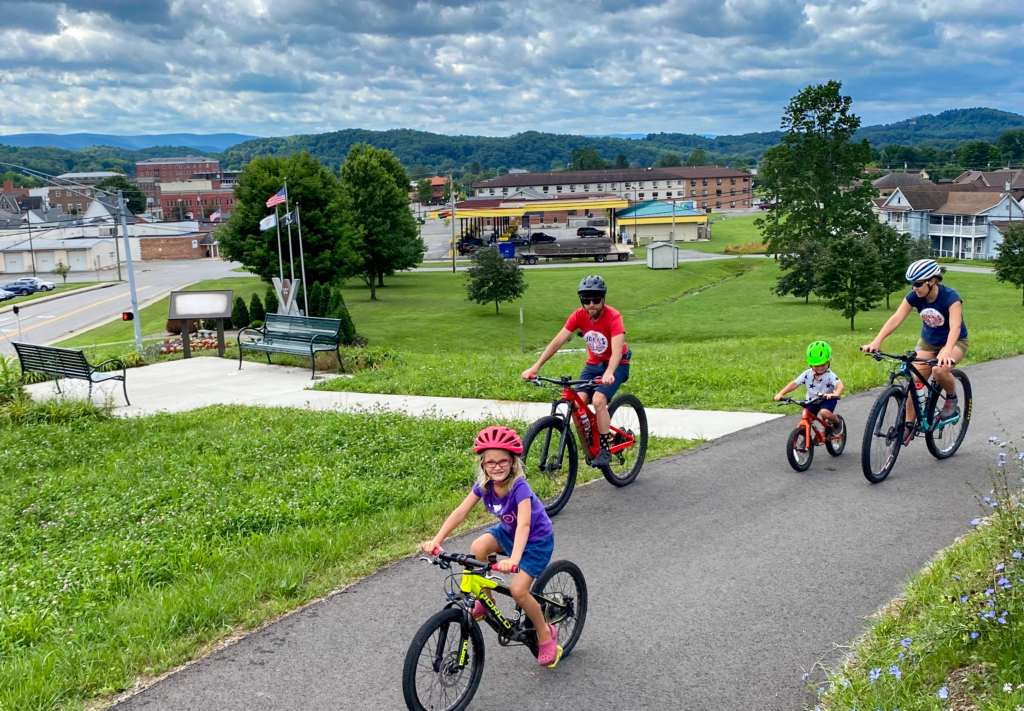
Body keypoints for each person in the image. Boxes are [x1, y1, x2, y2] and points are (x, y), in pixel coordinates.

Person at [421, 426, 561, 668]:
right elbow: (460, 512)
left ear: (514, 462)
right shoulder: (484, 485)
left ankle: (545, 633)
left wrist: (515, 559)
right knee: (478, 546)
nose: (497, 467)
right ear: (483, 464)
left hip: (536, 542)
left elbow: (525, 525)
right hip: (508, 533)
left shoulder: (519, 488)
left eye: (503, 462)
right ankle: (486, 602)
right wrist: (437, 540)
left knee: (518, 591)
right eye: (491, 462)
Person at [522, 275, 630, 467]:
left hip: (617, 364)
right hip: (592, 365)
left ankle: (604, 450)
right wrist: (535, 366)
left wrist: (610, 372)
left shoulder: (614, 317)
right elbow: (557, 341)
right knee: (578, 405)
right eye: (586, 300)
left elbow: (616, 350)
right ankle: (593, 437)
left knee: (598, 401)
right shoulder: (578, 315)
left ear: (603, 299)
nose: (591, 304)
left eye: (596, 300)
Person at [860, 258, 968, 433]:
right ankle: (909, 425)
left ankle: (951, 398)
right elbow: (896, 318)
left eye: (918, 284)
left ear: (932, 281)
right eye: (912, 284)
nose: (914, 288)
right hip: (928, 342)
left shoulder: (950, 297)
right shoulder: (914, 297)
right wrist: (877, 341)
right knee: (913, 377)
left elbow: (955, 326)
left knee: (939, 370)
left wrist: (946, 351)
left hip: (954, 342)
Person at [773, 341, 845, 434]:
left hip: (827, 399)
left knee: (825, 413)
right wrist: (781, 394)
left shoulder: (829, 375)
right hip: (812, 400)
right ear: (811, 364)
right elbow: (794, 384)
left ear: (828, 361)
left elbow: (840, 386)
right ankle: (806, 439)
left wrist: (835, 394)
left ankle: (837, 422)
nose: (820, 368)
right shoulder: (807, 374)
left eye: (823, 364)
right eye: (816, 365)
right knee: (806, 418)